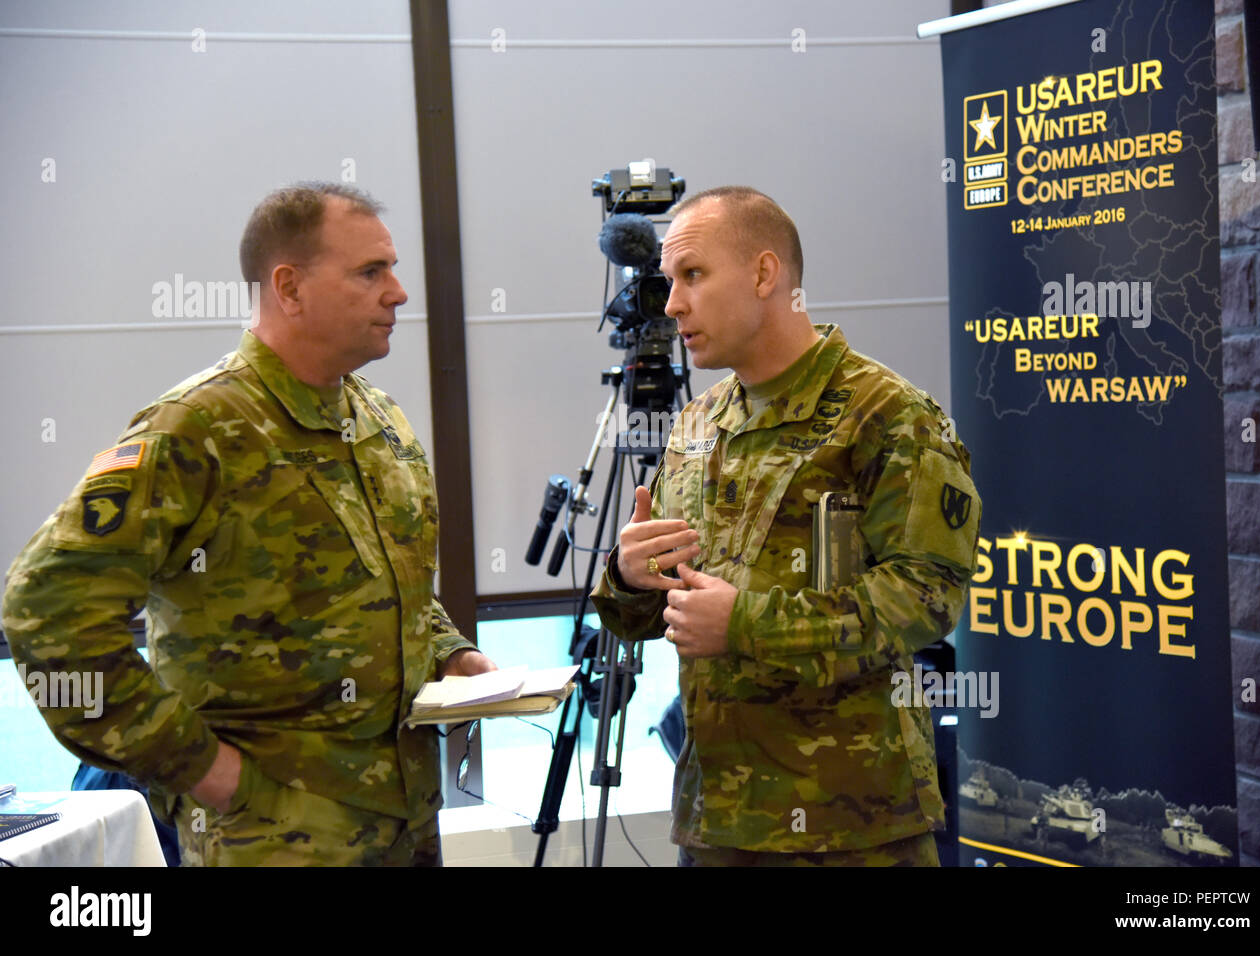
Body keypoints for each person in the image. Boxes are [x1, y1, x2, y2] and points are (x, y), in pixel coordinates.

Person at [1, 183, 495, 865]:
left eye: (393, 268)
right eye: (371, 271)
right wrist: (201, 768)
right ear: (289, 287)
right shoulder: (197, 427)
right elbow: (46, 609)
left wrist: (450, 652)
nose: (399, 292)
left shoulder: (379, 419)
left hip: (405, 824)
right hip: (273, 838)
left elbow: (397, 588)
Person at [590, 186, 981, 866]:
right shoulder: (697, 422)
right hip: (718, 820)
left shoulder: (888, 416)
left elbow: (928, 599)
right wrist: (629, 580)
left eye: (692, 275)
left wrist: (746, 624)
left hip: (852, 824)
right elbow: (664, 613)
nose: (673, 303)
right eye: (666, 282)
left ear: (765, 275)